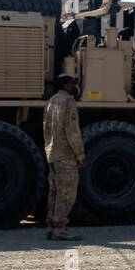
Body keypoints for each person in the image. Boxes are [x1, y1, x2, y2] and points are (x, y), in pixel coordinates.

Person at [43, 73, 86, 240]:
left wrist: (48, 148)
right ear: (66, 86)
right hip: (66, 155)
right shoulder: (68, 102)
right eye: (72, 83)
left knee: (54, 191)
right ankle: (60, 228)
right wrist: (80, 155)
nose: (74, 86)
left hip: (53, 153)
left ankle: (51, 226)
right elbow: (72, 131)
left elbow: (46, 129)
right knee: (66, 192)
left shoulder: (51, 101)